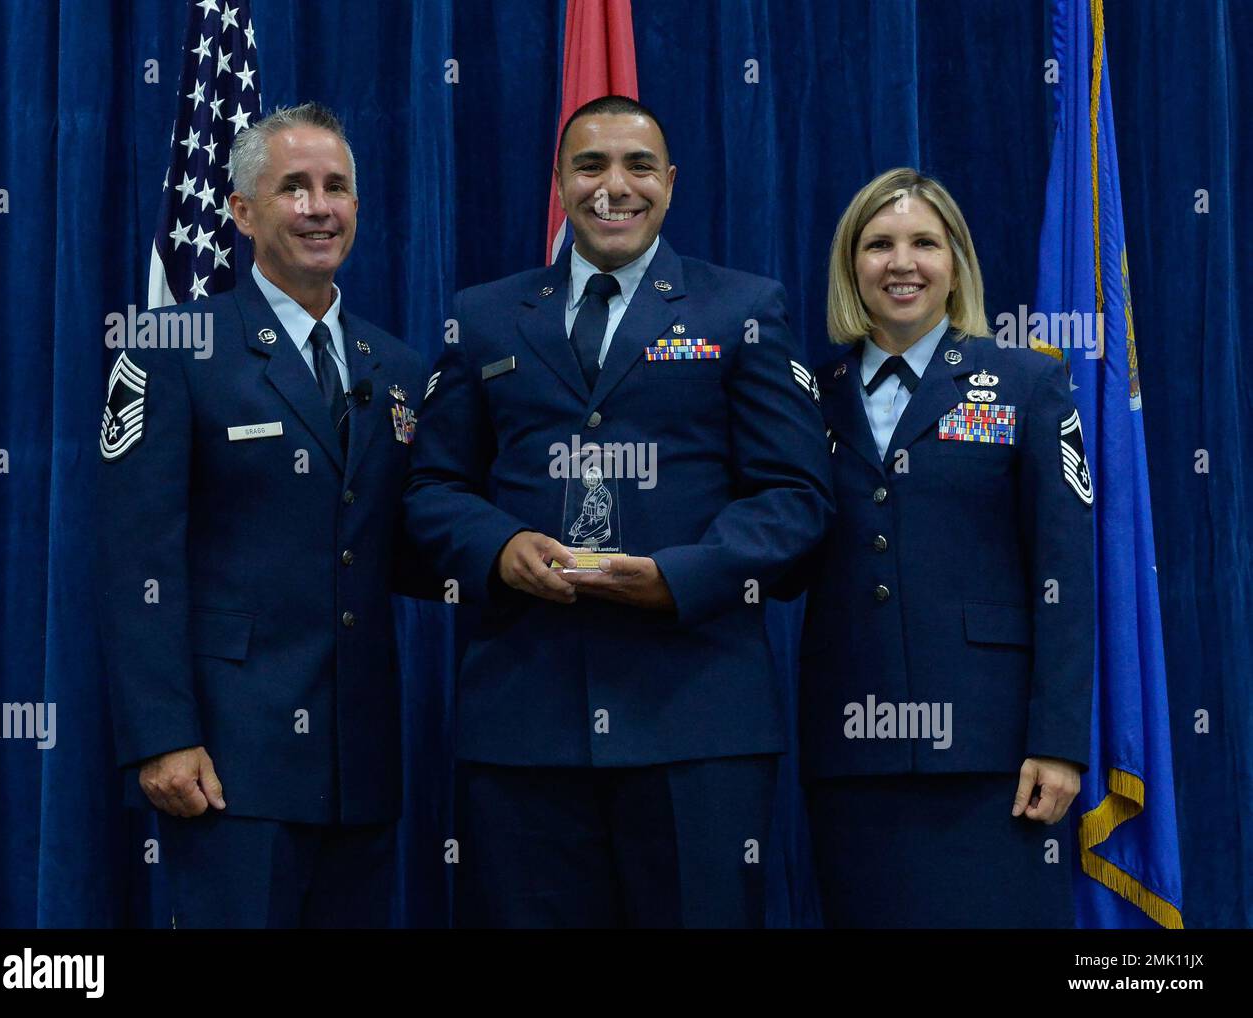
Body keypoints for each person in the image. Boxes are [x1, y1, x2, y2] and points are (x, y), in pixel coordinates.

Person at [405, 95, 832, 927]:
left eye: (638, 166)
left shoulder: (741, 309)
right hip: (523, 724)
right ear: (560, 185)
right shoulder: (484, 316)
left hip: (697, 722)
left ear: (669, 184)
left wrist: (680, 577)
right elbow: (430, 489)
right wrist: (498, 548)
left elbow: (797, 496)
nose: (615, 186)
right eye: (590, 165)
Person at [98, 103, 427, 928]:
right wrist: (161, 737)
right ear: (243, 213)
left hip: (360, 765)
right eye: (294, 188)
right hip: (228, 764)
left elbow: (414, 539)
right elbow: (137, 559)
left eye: (337, 188)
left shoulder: (399, 365)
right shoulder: (175, 347)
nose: (320, 207)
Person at [798, 167, 1094, 927]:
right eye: (879, 244)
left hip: (991, 755)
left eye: (924, 243)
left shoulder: (1028, 383)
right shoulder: (806, 391)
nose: (902, 263)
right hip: (852, 747)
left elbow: (1066, 572)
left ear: (955, 261)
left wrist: (1058, 743)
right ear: (849, 265)